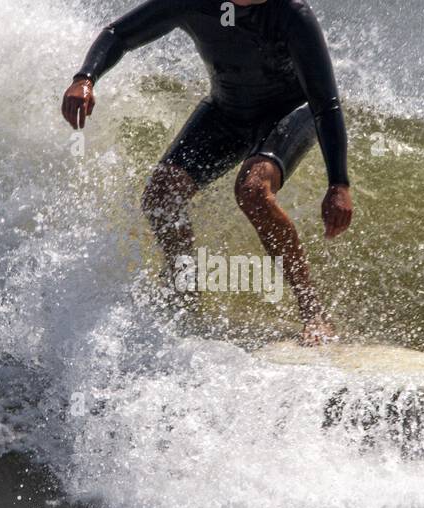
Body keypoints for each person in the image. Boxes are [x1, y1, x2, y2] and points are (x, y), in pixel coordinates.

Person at [61, 0, 352, 345]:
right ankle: (185, 300)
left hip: (289, 113)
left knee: (253, 191)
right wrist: (85, 78)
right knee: (161, 194)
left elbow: (326, 104)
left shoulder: (291, 14)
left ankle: (313, 312)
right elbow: (119, 33)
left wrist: (338, 183)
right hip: (227, 112)